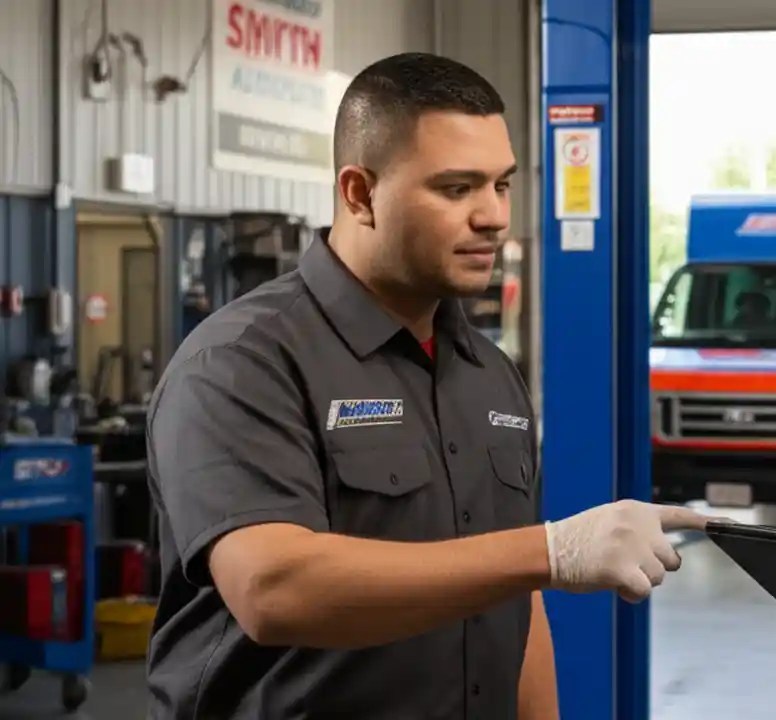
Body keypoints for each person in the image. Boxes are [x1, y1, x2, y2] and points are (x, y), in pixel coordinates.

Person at [144, 52, 709, 719]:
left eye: (500, 185)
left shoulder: (489, 375)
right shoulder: (243, 363)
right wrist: (552, 550)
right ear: (360, 194)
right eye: (456, 188)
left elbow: (516, 596)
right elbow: (273, 588)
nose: (494, 216)